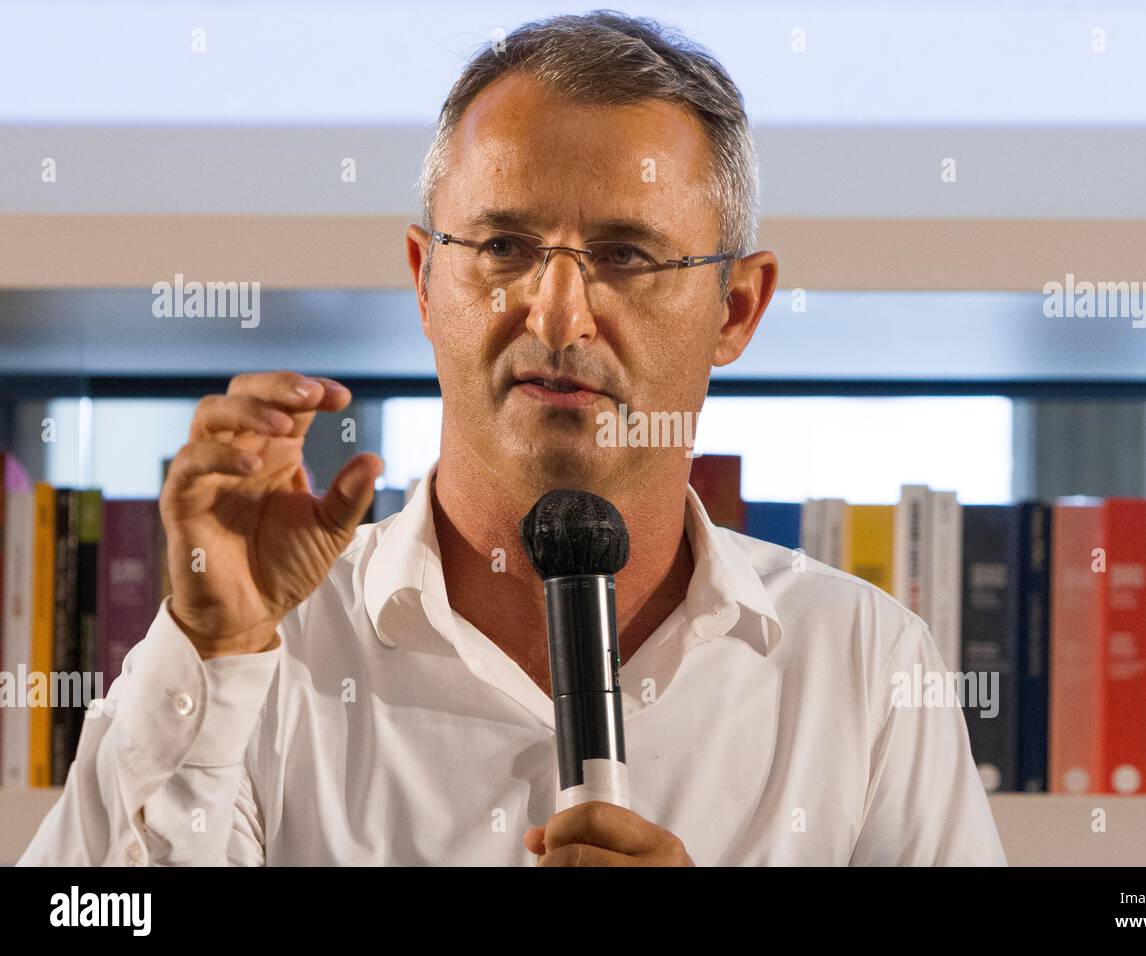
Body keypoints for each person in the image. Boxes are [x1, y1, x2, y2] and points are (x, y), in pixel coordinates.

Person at [20, 11, 1005, 866]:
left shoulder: (862, 665)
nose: (558, 314)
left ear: (734, 309)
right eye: (502, 247)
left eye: (624, 254)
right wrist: (215, 648)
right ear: (422, 276)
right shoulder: (268, 647)